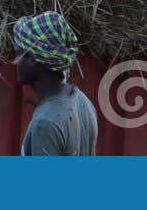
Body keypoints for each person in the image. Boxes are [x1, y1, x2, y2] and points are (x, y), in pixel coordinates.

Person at [11, 10, 99, 155]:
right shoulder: (81, 100)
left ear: (33, 60)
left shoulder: (45, 124)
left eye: (18, 53)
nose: (15, 63)